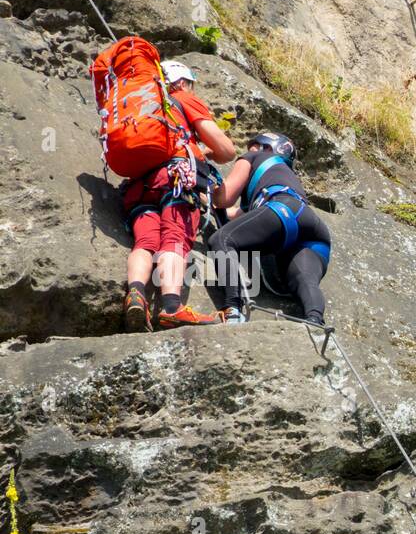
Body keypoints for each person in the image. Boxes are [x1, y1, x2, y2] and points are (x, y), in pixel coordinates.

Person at [122, 60, 236, 331]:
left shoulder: (141, 105)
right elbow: (227, 150)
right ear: (182, 82)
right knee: (174, 239)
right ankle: (171, 307)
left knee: (145, 242)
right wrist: (203, 151)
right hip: (176, 179)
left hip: (139, 187)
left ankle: (136, 295)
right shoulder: (181, 98)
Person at [207, 132, 331, 325]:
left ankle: (233, 308)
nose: (249, 150)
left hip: (280, 210)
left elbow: (225, 198)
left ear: (265, 147)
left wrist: (204, 184)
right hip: (311, 227)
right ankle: (315, 321)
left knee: (221, 240)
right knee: (304, 278)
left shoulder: (255, 156)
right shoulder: (281, 176)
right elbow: (236, 215)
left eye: (254, 146)